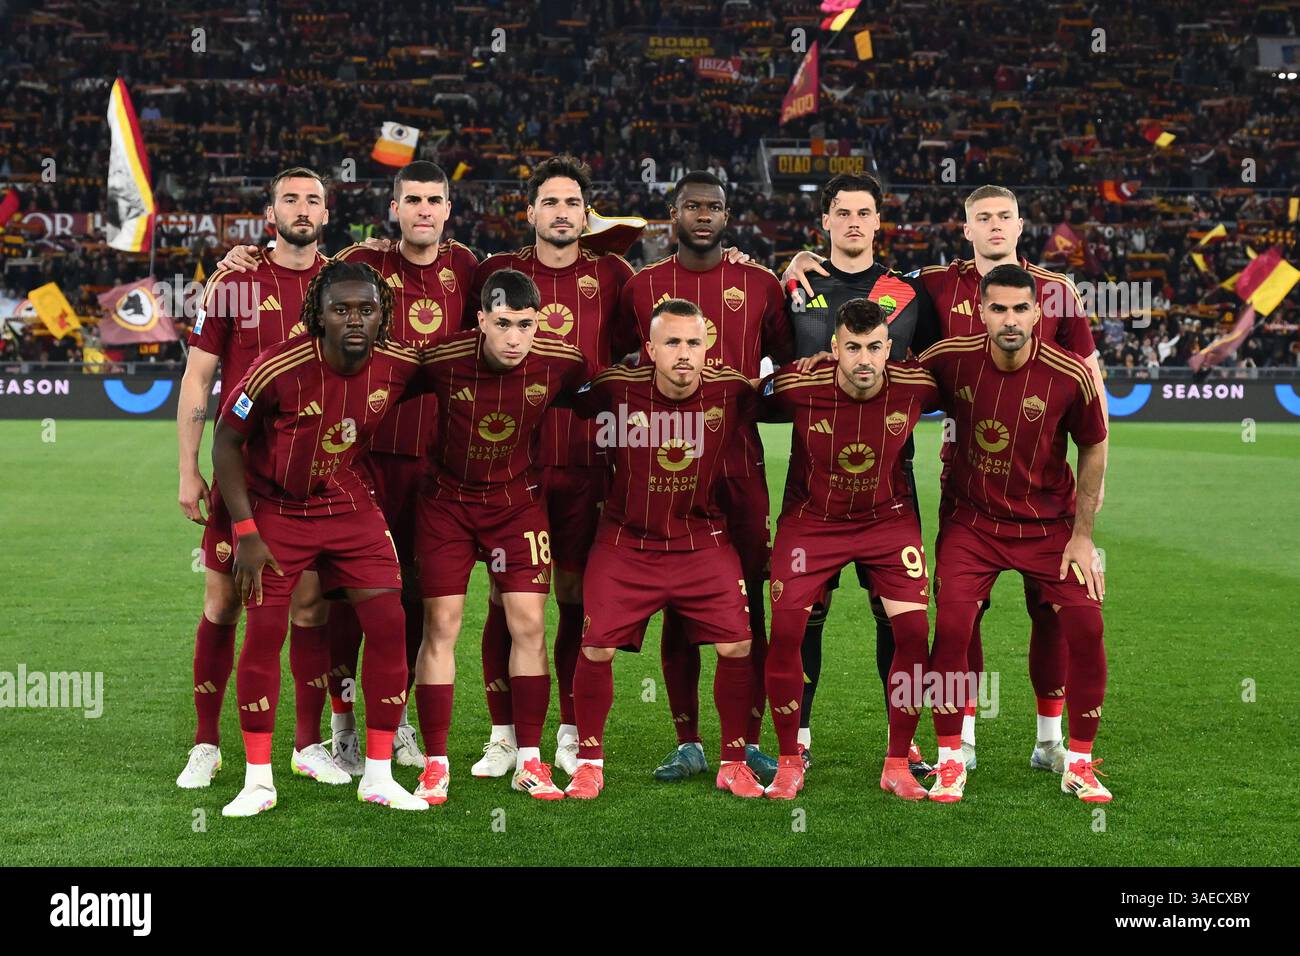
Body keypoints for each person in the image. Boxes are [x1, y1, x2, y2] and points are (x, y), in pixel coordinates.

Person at [786, 183, 1108, 773]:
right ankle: (957, 744)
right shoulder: (932, 285)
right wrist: (801, 259)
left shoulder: (1058, 291)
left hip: (1045, 494)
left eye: (1003, 217)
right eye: (981, 217)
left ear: (1019, 223)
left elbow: (1089, 387)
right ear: (966, 227)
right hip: (965, 491)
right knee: (958, 617)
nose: (993, 227)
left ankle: (1050, 739)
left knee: (1052, 614)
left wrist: (1091, 515)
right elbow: (890, 343)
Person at [210, 259, 429, 815]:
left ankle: (377, 774)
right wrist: (246, 530)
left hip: (348, 503)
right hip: (277, 510)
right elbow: (226, 443)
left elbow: (462, 365)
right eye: (341, 309)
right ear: (318, 315)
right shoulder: (275, 367)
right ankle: (258, 781)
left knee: (388, 624)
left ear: (383, 316)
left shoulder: (401, 364)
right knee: (262, 633)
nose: (355, 319)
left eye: (367, 309)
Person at [464, 156, 636, 779]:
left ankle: (569, 728)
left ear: (587, 214)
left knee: (573, 599)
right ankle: (504, 734)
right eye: (550, 203)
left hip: (591, 461)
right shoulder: (495, 275)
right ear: (529, 211)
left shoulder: (615, 275)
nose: (562, 213)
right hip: (514, 464)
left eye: (573, 204)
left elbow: (644, 348)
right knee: (506, 601)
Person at [618, 171, 792, 785]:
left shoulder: (760, 284)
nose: (702, 215)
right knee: (676, 599)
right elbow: (619, 369)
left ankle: (744, 741)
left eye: (713, 206)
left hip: (739, 465)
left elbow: (785, 370)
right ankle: (688, 739)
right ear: (672, 213)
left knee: (748, 600)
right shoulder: (642, 287)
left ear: (728, 215)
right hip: (663, 466)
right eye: (691, 206)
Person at [174, 166, 343, 790]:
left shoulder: (343, 283)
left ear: (327, 214)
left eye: (314, 200)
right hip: (238, 470)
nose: (303, 208)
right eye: (290, 198)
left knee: (309, 606)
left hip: (313, 477)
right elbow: (198, 377)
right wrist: (188, 469)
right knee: (222, 603)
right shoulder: (236, 281)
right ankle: (205, 744)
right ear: (270, 212)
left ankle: (305, 745)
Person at [918, 264, 1110, 803]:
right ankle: (952, 757)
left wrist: (1083, 535)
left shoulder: (1069, 374)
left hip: (1049, 526)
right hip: (971, 523)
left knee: (1086, 623)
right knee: (953, 624)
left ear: (1038, 313)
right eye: (998, 308)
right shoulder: (949, 358)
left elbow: (1094, 444)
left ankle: (1078, 760)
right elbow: (890, 379)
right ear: (980, 312)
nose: (1009, 319)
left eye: (1020, 309)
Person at [772, 172, 941, 776]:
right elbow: (767, 363)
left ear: (877, 222)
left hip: (891, 484)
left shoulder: (905, 293)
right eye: (841, 212)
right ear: (824, 222)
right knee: (803, 616)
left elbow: (936, 373)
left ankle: (905, 744)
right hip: (811, 483)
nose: (852, 222)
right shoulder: (795, 285)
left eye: (863, 212)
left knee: (894, 618)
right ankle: (803, 734)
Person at [561, 299, 764, 801]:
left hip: (702, 538)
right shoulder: (617, 387)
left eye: (693, 342)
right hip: (626, 539)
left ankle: (733, 762)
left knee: (738, 644)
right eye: (671, 342)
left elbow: (787, 400)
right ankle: (589, 763)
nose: (683, 353)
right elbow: (566, 397)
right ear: (649, 349)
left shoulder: (731, 389)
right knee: (595, 646)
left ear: (708, 346)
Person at [409, 269, 590, 805]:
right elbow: (379, 383)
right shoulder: (441, 360)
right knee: (440, 625)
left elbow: (602, 391)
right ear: (481, 321)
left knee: (530, 624)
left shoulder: (561, 360)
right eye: (504, 324)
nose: (515, 338)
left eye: (526, 325)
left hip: (517, 507)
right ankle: (436, 764)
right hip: (446, 507)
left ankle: (530, 761)